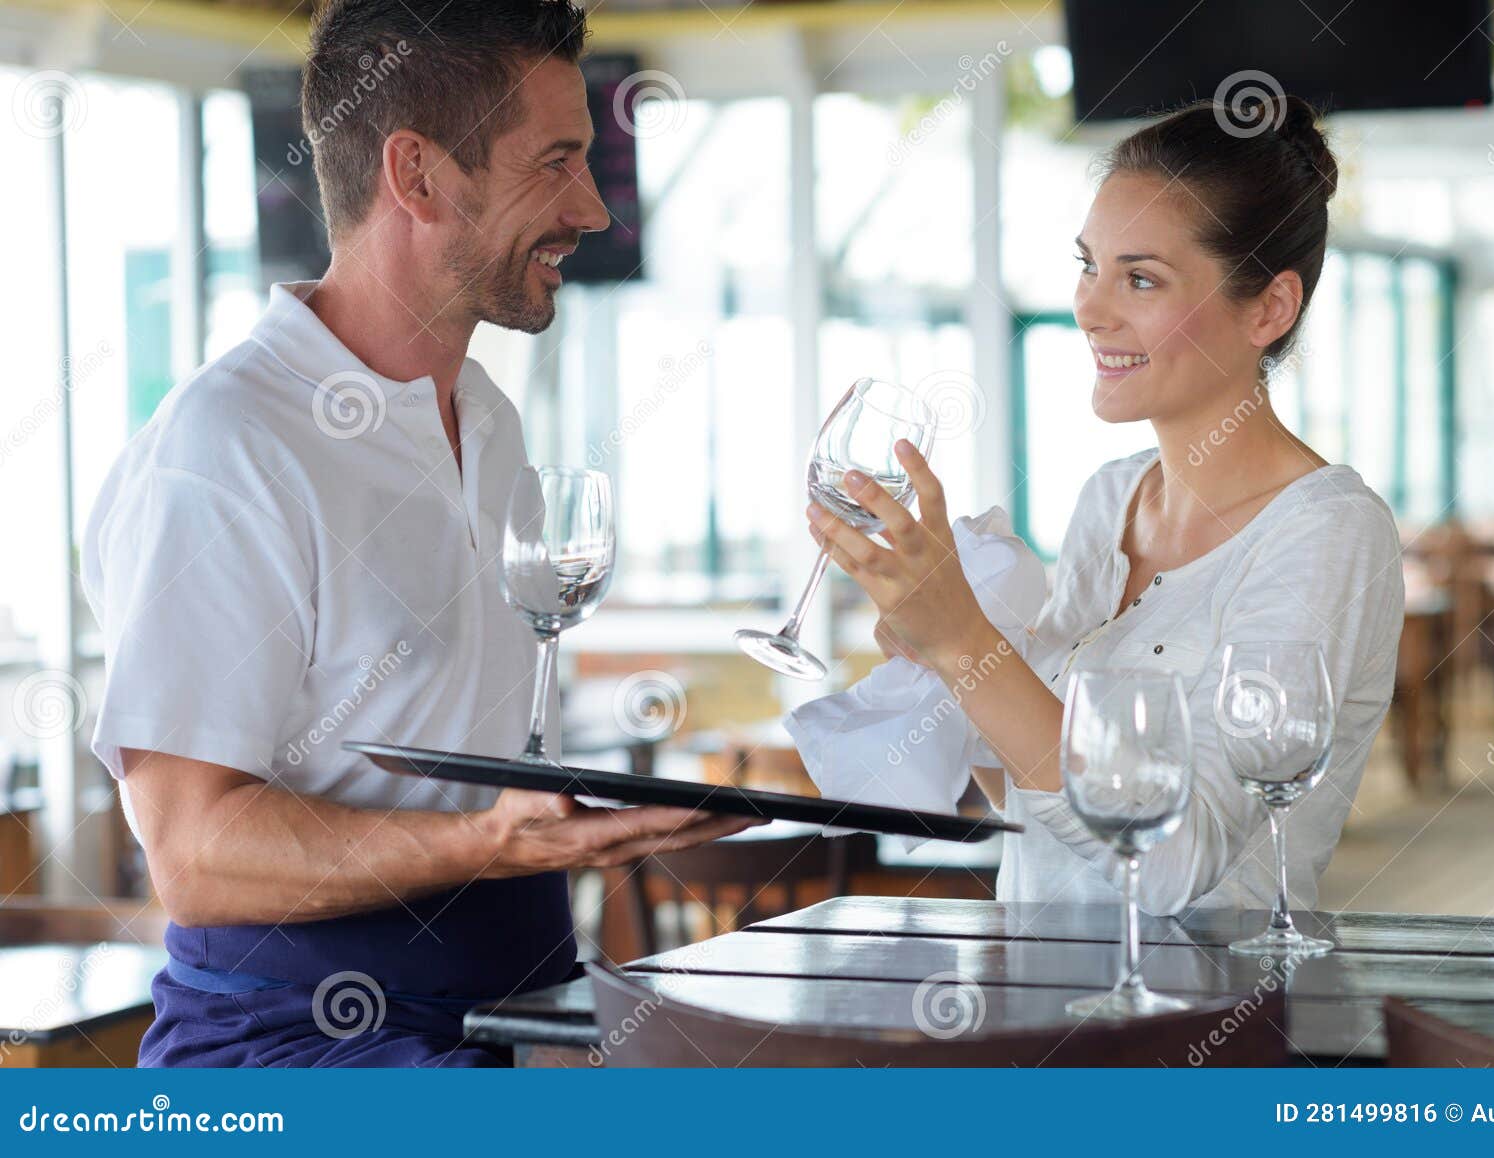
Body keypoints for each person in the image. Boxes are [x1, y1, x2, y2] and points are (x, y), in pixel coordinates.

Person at [81, 0, 761, 1068]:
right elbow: (193, 853)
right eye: (555, 163)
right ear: (418, 175)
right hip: (300, 1047)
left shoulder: (489, 418)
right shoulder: (228, 444)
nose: (590, 209)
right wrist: (491, 844)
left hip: (524, 1001)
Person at [807, 95, 1404, 916]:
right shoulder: (1109, 499)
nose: (1089, 308)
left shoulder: (1328, 534)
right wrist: (942, 654)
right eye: (1090, 265)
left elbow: (1172, 863)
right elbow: (1039, 805)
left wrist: (967, 642)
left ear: (1268, 307)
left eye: (1142, 278)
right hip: (1047, 1005)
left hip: (1211, 1020)